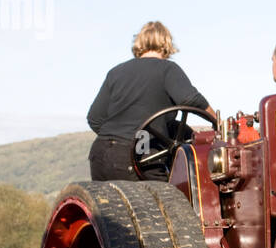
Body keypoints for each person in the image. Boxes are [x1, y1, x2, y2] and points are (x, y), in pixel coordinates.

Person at [87, 21, 214, 181]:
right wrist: (216, 120)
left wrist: (119, 137)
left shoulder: (116, 72)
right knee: (168, 202)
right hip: (140, 151)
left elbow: (94, 118)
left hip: (100, 154)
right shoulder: (167, 69)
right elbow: (190, 99)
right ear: (166, 44)